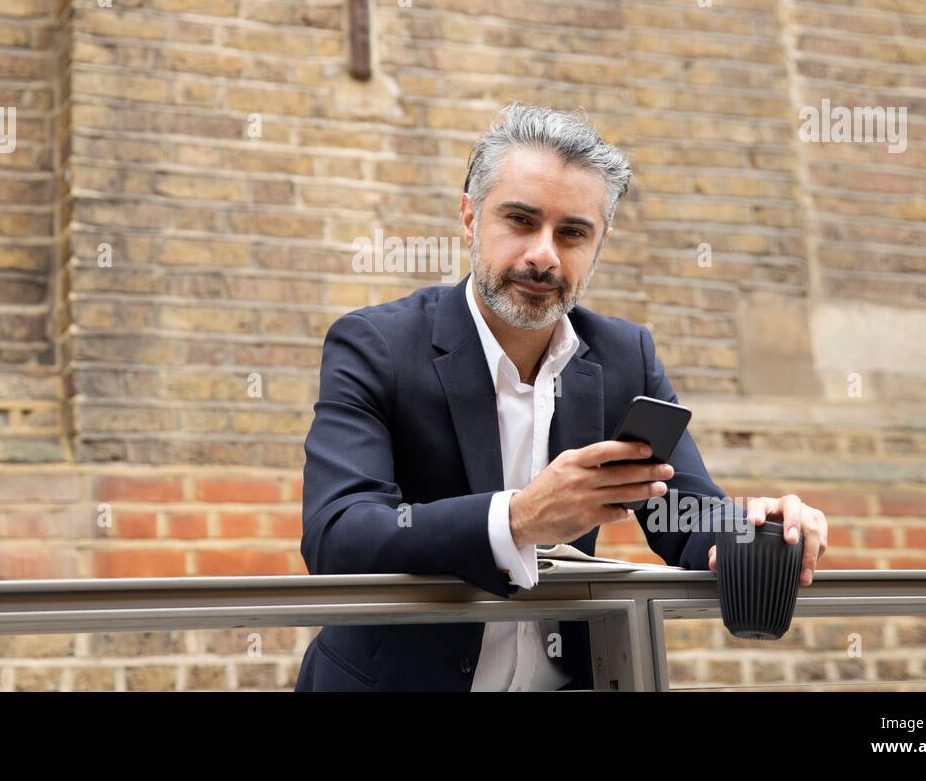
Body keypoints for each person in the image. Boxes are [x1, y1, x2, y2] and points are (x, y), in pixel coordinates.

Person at [296, 103, 828, 691]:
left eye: (573, 232)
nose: (544, 255)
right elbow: (338, 536)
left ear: (599, 243)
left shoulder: (626, 356)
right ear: (470, 217)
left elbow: (684, 516)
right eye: (521, 221)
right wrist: (519, 518)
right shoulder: (378, 345)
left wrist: (754, 528)